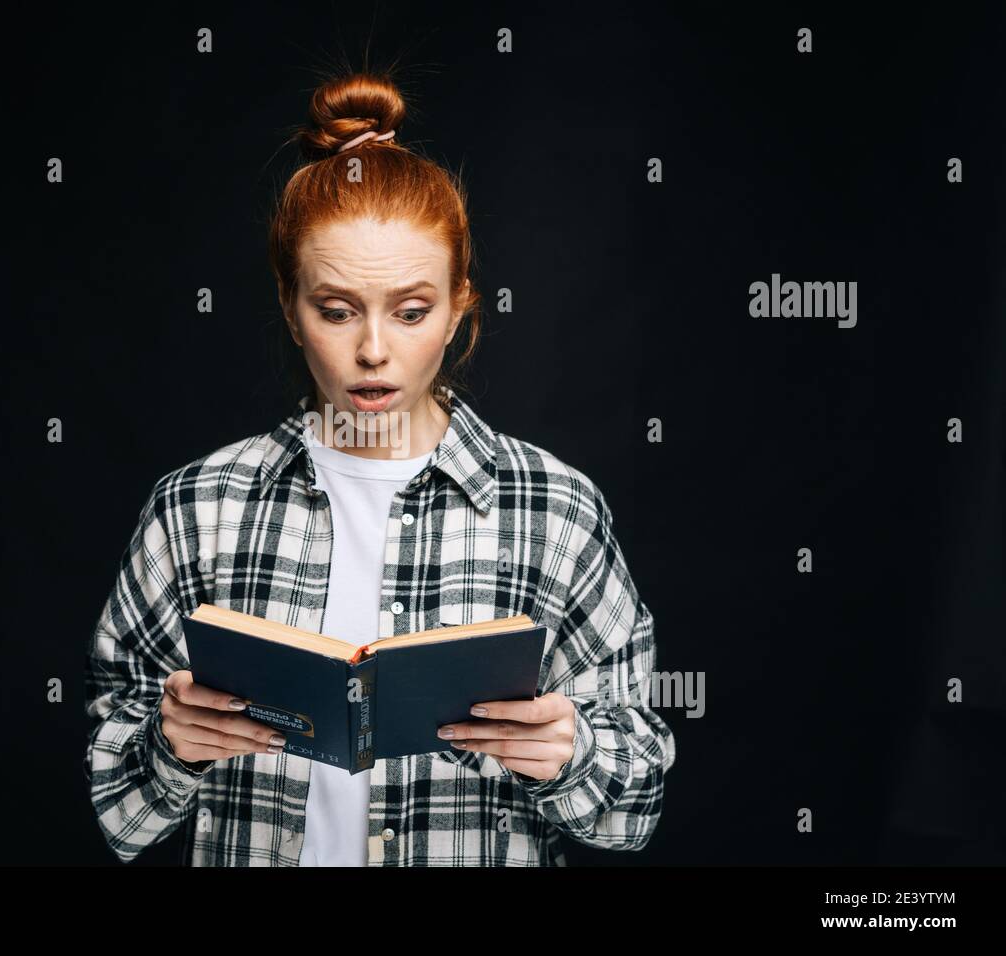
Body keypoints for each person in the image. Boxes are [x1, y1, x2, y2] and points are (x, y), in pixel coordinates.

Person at [84, 71, 676, 866]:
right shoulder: (198, 508)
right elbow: (117, 809)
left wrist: (570, 757)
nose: (372, 349)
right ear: (291, 310)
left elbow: (634, 811)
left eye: (410, 310)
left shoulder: (555, 511)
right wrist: (171, 744)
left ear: (461, 305)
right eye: (335, 310)